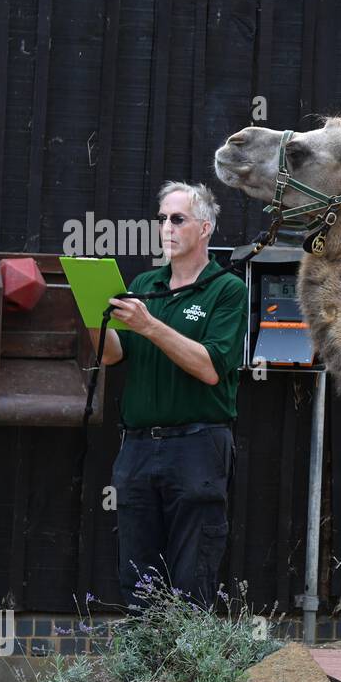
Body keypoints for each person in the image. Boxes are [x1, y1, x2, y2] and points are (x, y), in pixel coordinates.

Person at [92, 181, 248, 609]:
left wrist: (149, 326)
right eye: (161, 219)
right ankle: (146, 672)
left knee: (192, 571)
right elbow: (113, 357)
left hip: (198, 444)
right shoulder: (146, 283)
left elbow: (211, 368)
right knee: (137, 573)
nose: (166, 228)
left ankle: (188, 672)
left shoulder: (227, 290)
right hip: (139, 445)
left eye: (177, 219)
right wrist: (93, 319)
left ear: (205, 227)